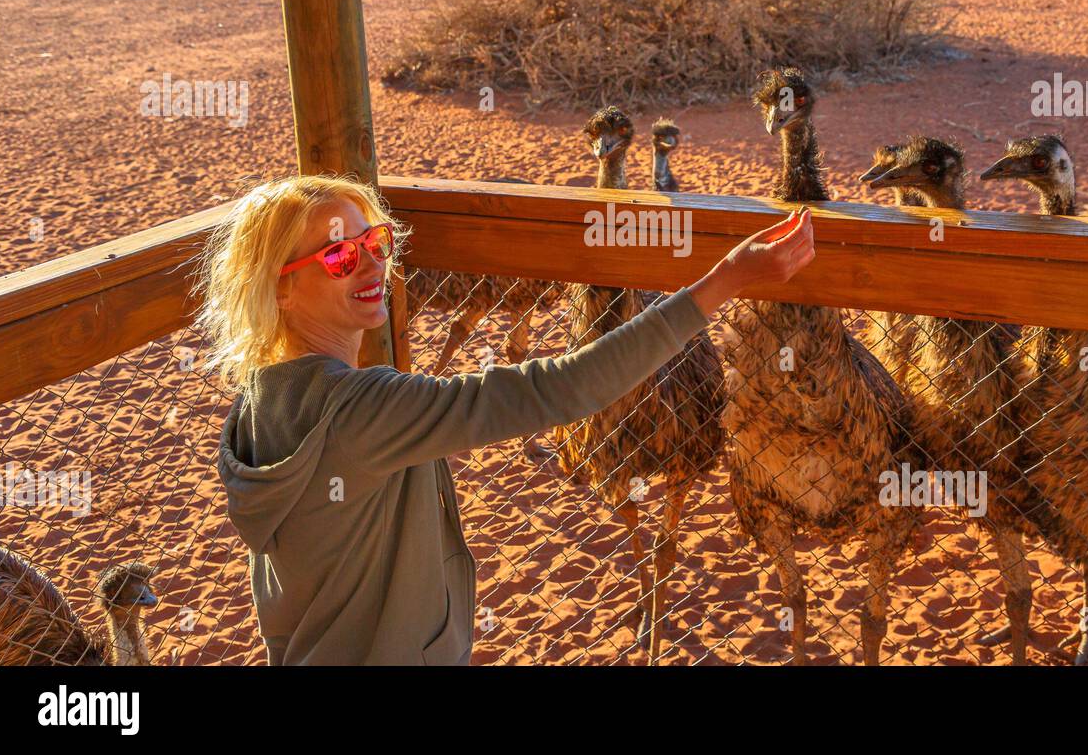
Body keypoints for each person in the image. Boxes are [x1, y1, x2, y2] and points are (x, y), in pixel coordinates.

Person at [199, 174, 815, 664]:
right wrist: (725, 281)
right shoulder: (364, 412)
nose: (370, 266)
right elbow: (559, 389)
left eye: (376, 243)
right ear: (278, 289)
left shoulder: (258, 400)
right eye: (338, 257)